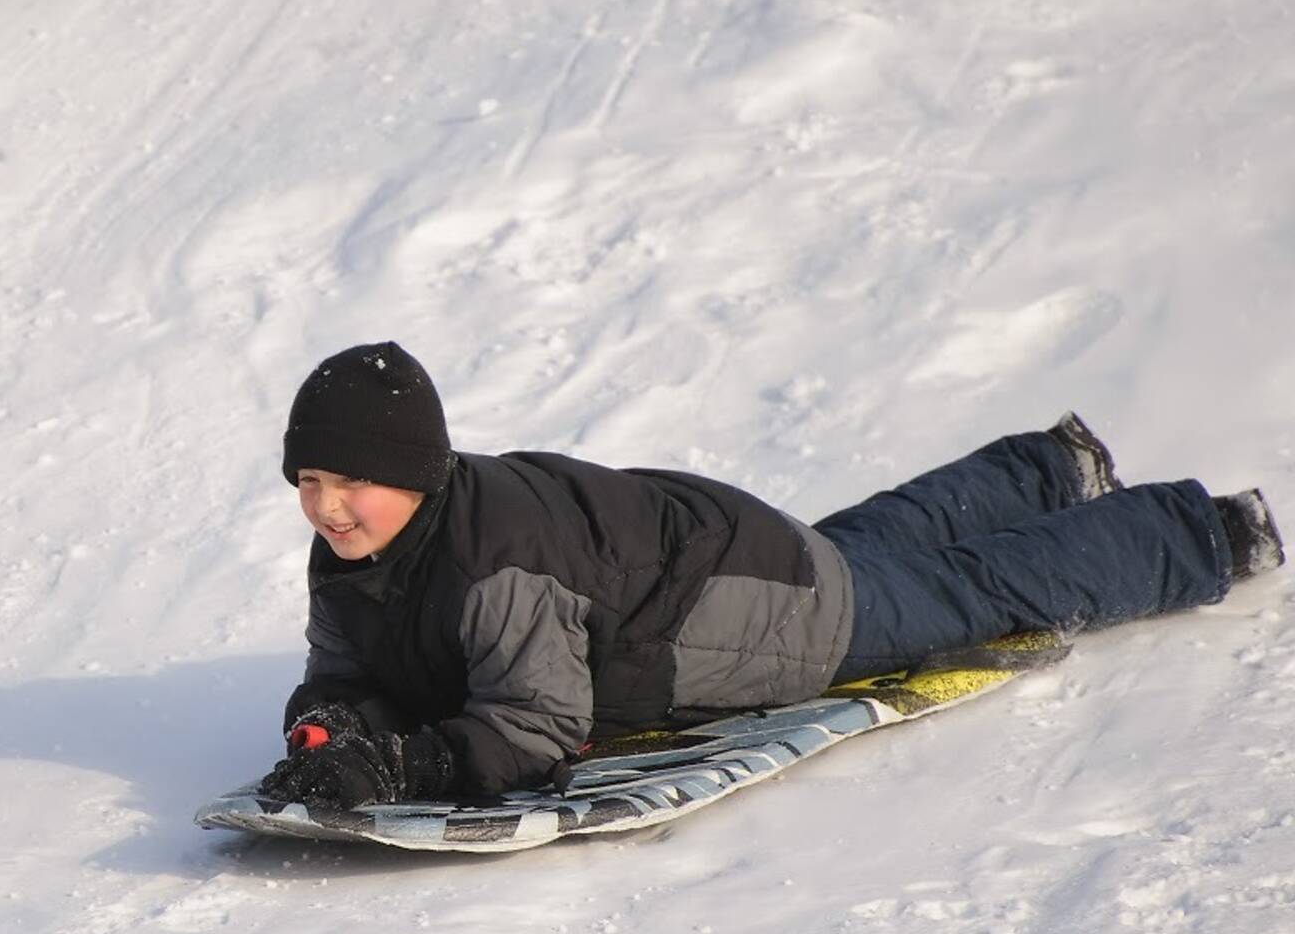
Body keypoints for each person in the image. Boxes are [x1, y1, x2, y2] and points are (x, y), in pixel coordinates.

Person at [258, 341, 1285, 810]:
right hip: (711, 540)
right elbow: (345, 665)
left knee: (968, 594)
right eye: (309, 479)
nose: (326, 507)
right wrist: (330, 724)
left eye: (351, 480)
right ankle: (1047, 468)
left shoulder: (492, 567)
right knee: (872, 559)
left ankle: (1197, 533)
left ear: (415, 471)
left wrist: (406, 767)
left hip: (740, 612)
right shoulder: (360, 550)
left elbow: (538, 726)